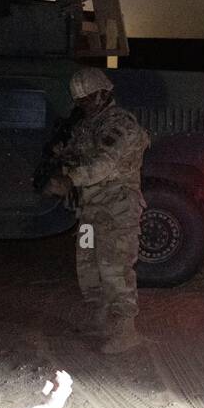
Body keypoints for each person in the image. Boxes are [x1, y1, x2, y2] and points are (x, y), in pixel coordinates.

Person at [44, 67, 150, 354]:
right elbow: (75, 154)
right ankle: (103, 322)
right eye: (79, 101)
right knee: (89, 268)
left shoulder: (121, 125)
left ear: (104, 93)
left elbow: (104, 164)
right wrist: (58, 158)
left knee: (115, 269)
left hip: (117, 208)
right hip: (89, 209)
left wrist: (69, 179)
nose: (84, 105)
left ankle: (126, 331)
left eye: (89, 99)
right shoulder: (87, 124)